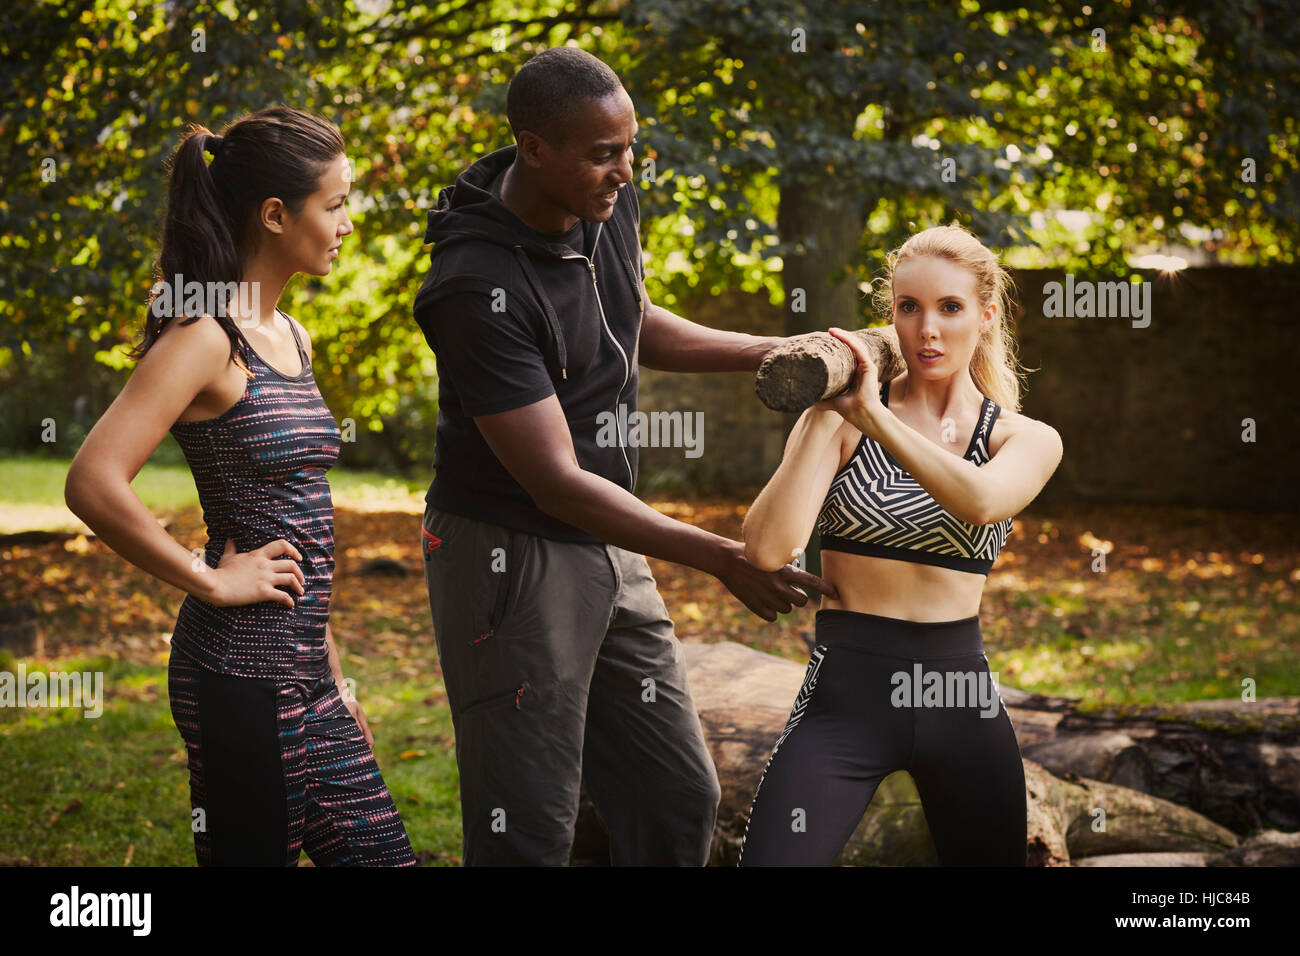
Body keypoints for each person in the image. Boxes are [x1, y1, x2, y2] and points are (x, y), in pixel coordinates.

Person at [413, 47, 837, 866]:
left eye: (630, 147)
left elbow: (634, 317)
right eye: (604, 154)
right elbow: (554, 482)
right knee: (528, 827)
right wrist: (723, 556)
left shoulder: (602, 206)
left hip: (610, 537)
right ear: (536, 149)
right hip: (514, 555)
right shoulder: (472, 285)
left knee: (676, 794)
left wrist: (780, 352)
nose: (624, 169)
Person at [64, 107, 416, 867]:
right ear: (276, 214)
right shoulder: (203, 338)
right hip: (236, 675)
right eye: (337, 203)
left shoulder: (291, 336)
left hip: (305, 675)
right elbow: (92, 479)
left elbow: (300, 528)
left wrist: (332, 674)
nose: (349, 223)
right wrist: (210, 581)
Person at [737, 224, 1064, 866]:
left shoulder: (1025, 439)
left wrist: (874, 418)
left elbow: (980, 501)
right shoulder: (839, 420)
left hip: (960, 699)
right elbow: (768, 551)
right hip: (844, 694)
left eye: (950, 307)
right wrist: (828, 411)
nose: (927, 329)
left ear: (987, 315)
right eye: (909, 308)